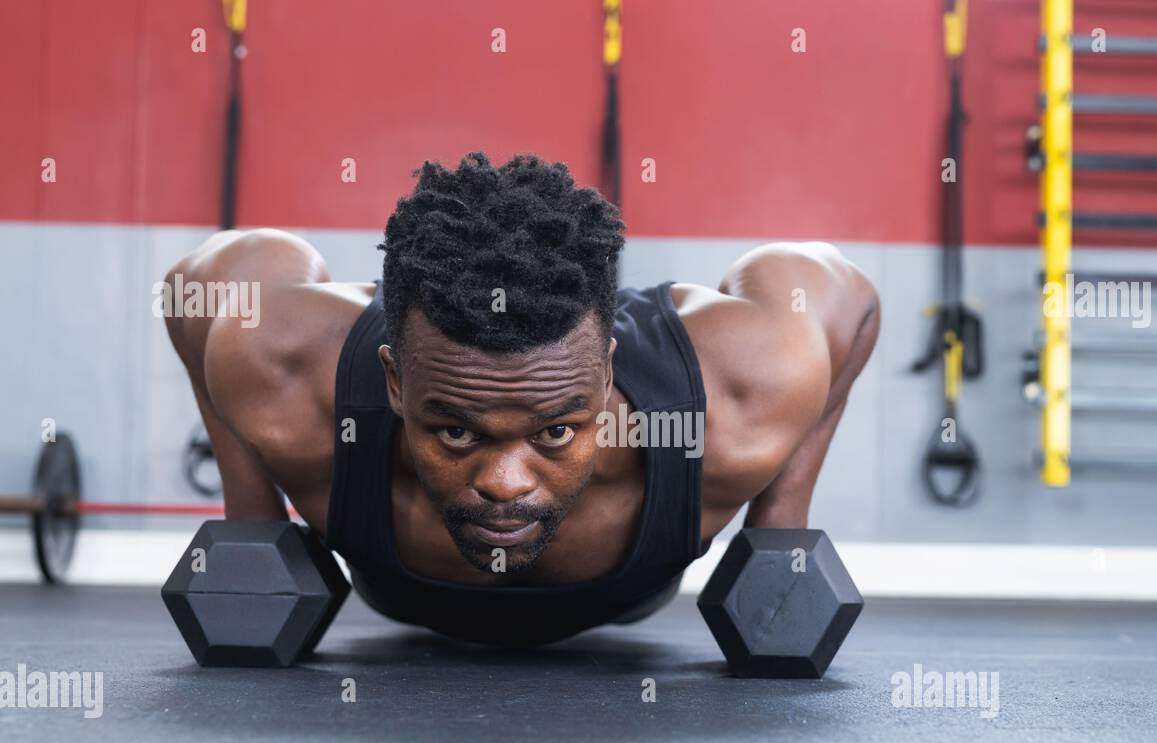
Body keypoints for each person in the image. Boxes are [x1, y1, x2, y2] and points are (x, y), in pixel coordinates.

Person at [163, 152, 880, 642]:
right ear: (394, 383)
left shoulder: (734, 403)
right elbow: (196, 287)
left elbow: (852, 302)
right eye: (456, 434)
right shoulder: (288, 376)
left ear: (604, 381)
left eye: (556, 433)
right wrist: (252, 522)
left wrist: (778, 527)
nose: (505, 484)